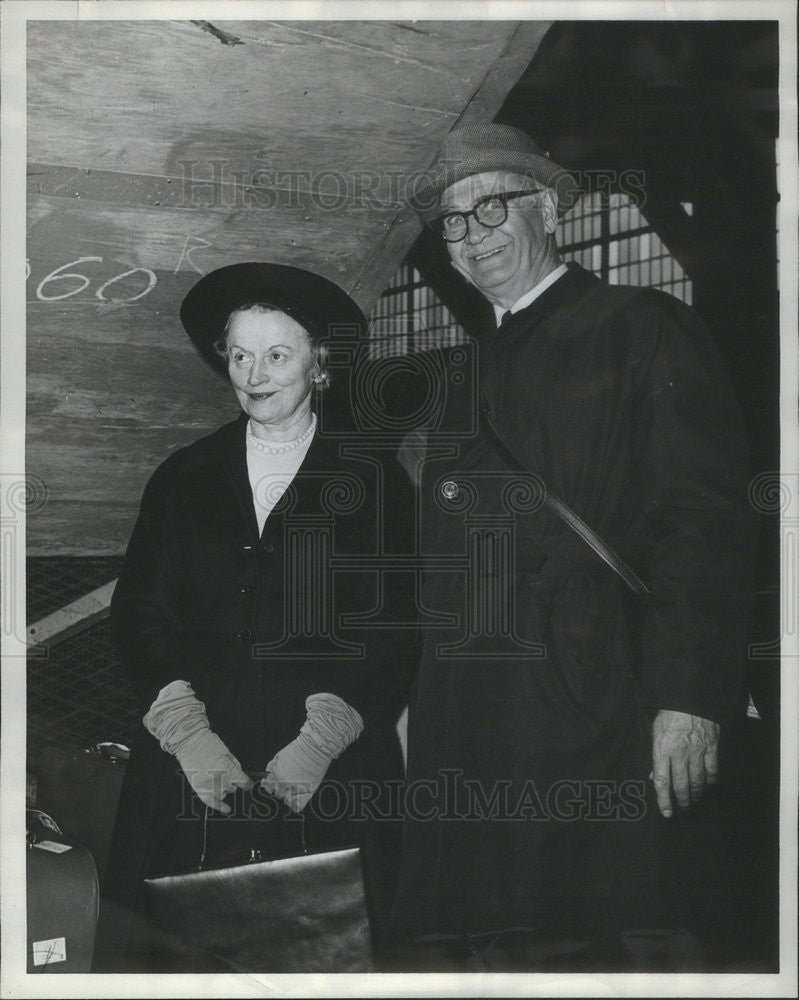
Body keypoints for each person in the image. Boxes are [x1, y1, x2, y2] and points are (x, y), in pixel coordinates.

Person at [388, 122, 756, 970]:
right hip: (471, 715)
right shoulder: (465, 369)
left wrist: (689, 697)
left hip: (595, 695)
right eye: (452, 222)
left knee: (609, 936)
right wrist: (417, 702)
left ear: (548, 209)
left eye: (492, 209)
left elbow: (703, 524)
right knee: (485, 943)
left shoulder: (641, 326)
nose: (472, 236)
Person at [95, 262, 416, 972]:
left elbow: (397, 628)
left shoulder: (370, 479)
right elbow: (140, 612)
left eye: (277, 354)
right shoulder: (184, 475)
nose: (254, 373)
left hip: (330, 773)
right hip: (192, 767)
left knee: (326, 958)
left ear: (319, 364)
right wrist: (186, 732)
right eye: (239, 355)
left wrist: (321, 741)